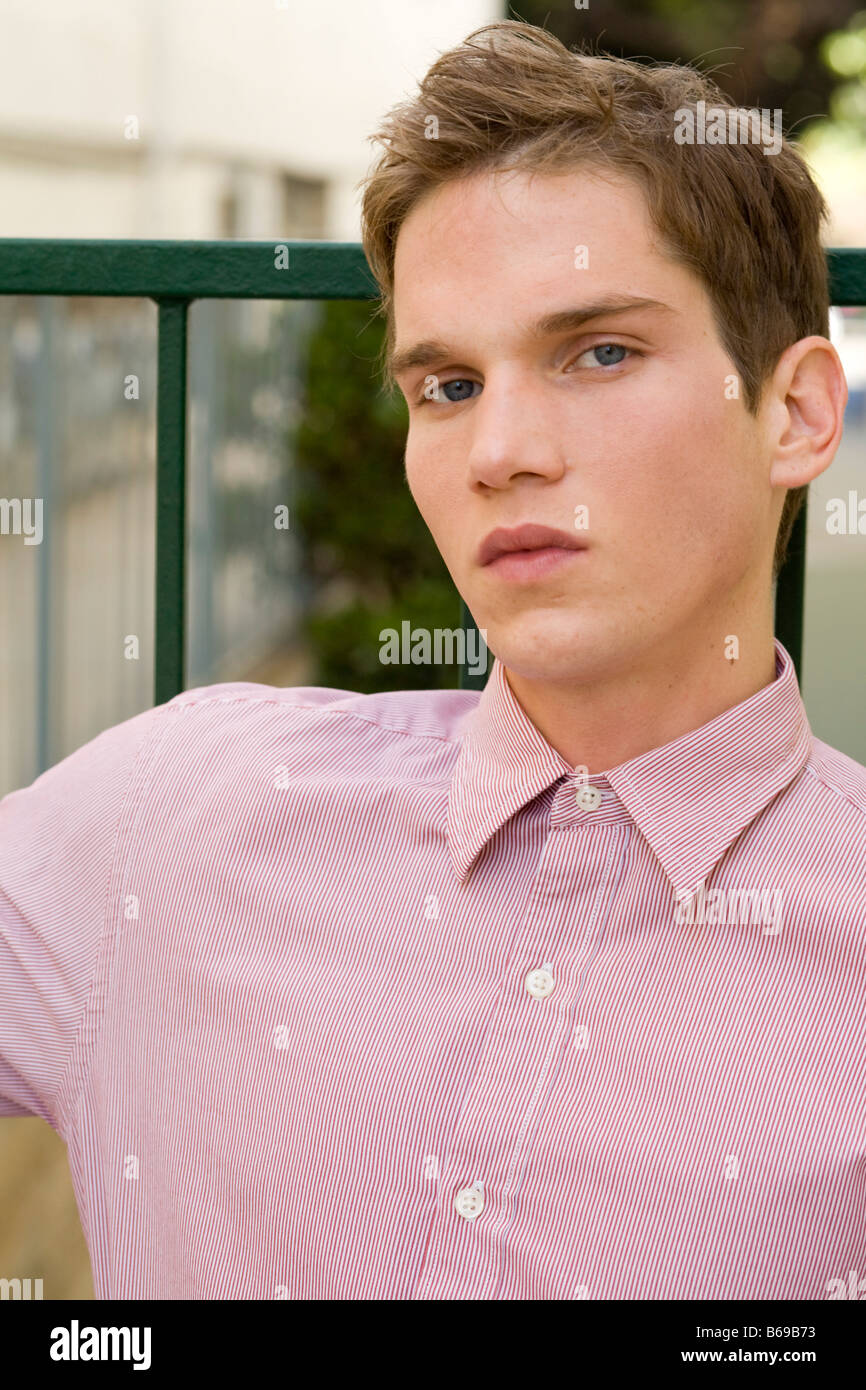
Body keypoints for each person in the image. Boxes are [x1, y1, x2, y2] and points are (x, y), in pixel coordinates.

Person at [0, 19, 862, 1301]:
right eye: (447, 383)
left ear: (793, 411)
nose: (496, 448)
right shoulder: (175, 807)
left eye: (599, 351)